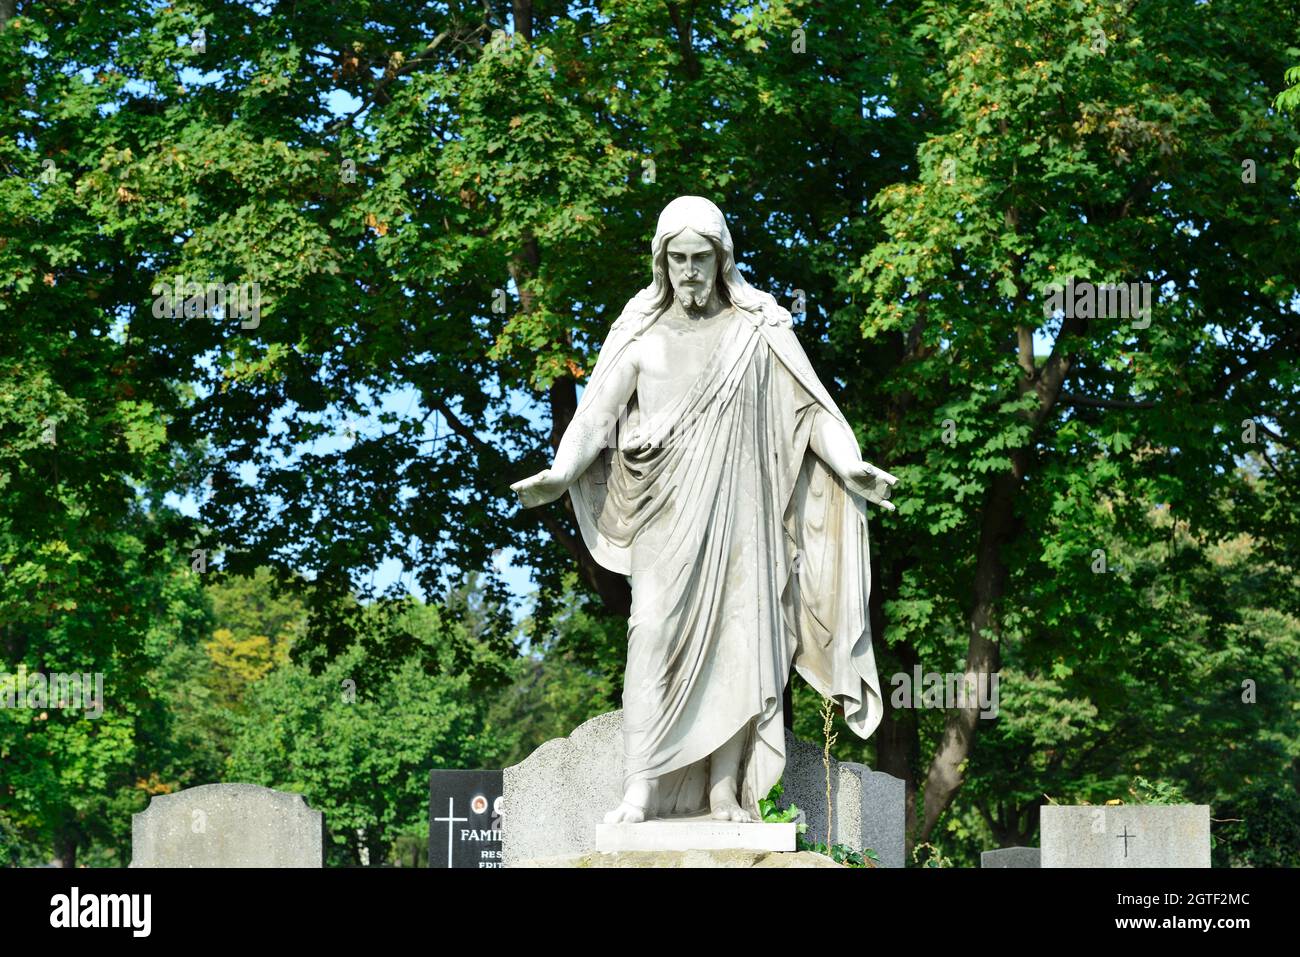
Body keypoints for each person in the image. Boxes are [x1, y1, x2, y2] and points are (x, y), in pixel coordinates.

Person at [511, 196, 896, 824]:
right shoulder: (640, 337)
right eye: (678, 258)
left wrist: (848, 463)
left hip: (745, 519)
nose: (690, 271)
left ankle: (724, 790)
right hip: (666, 518)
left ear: (723, 260)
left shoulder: (758, 331)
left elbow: (814, 412)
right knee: (652, 635)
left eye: (701, 257)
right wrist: (560, 474)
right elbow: (595, 417)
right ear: (662, 263)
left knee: (739, 644)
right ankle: (641, 787)